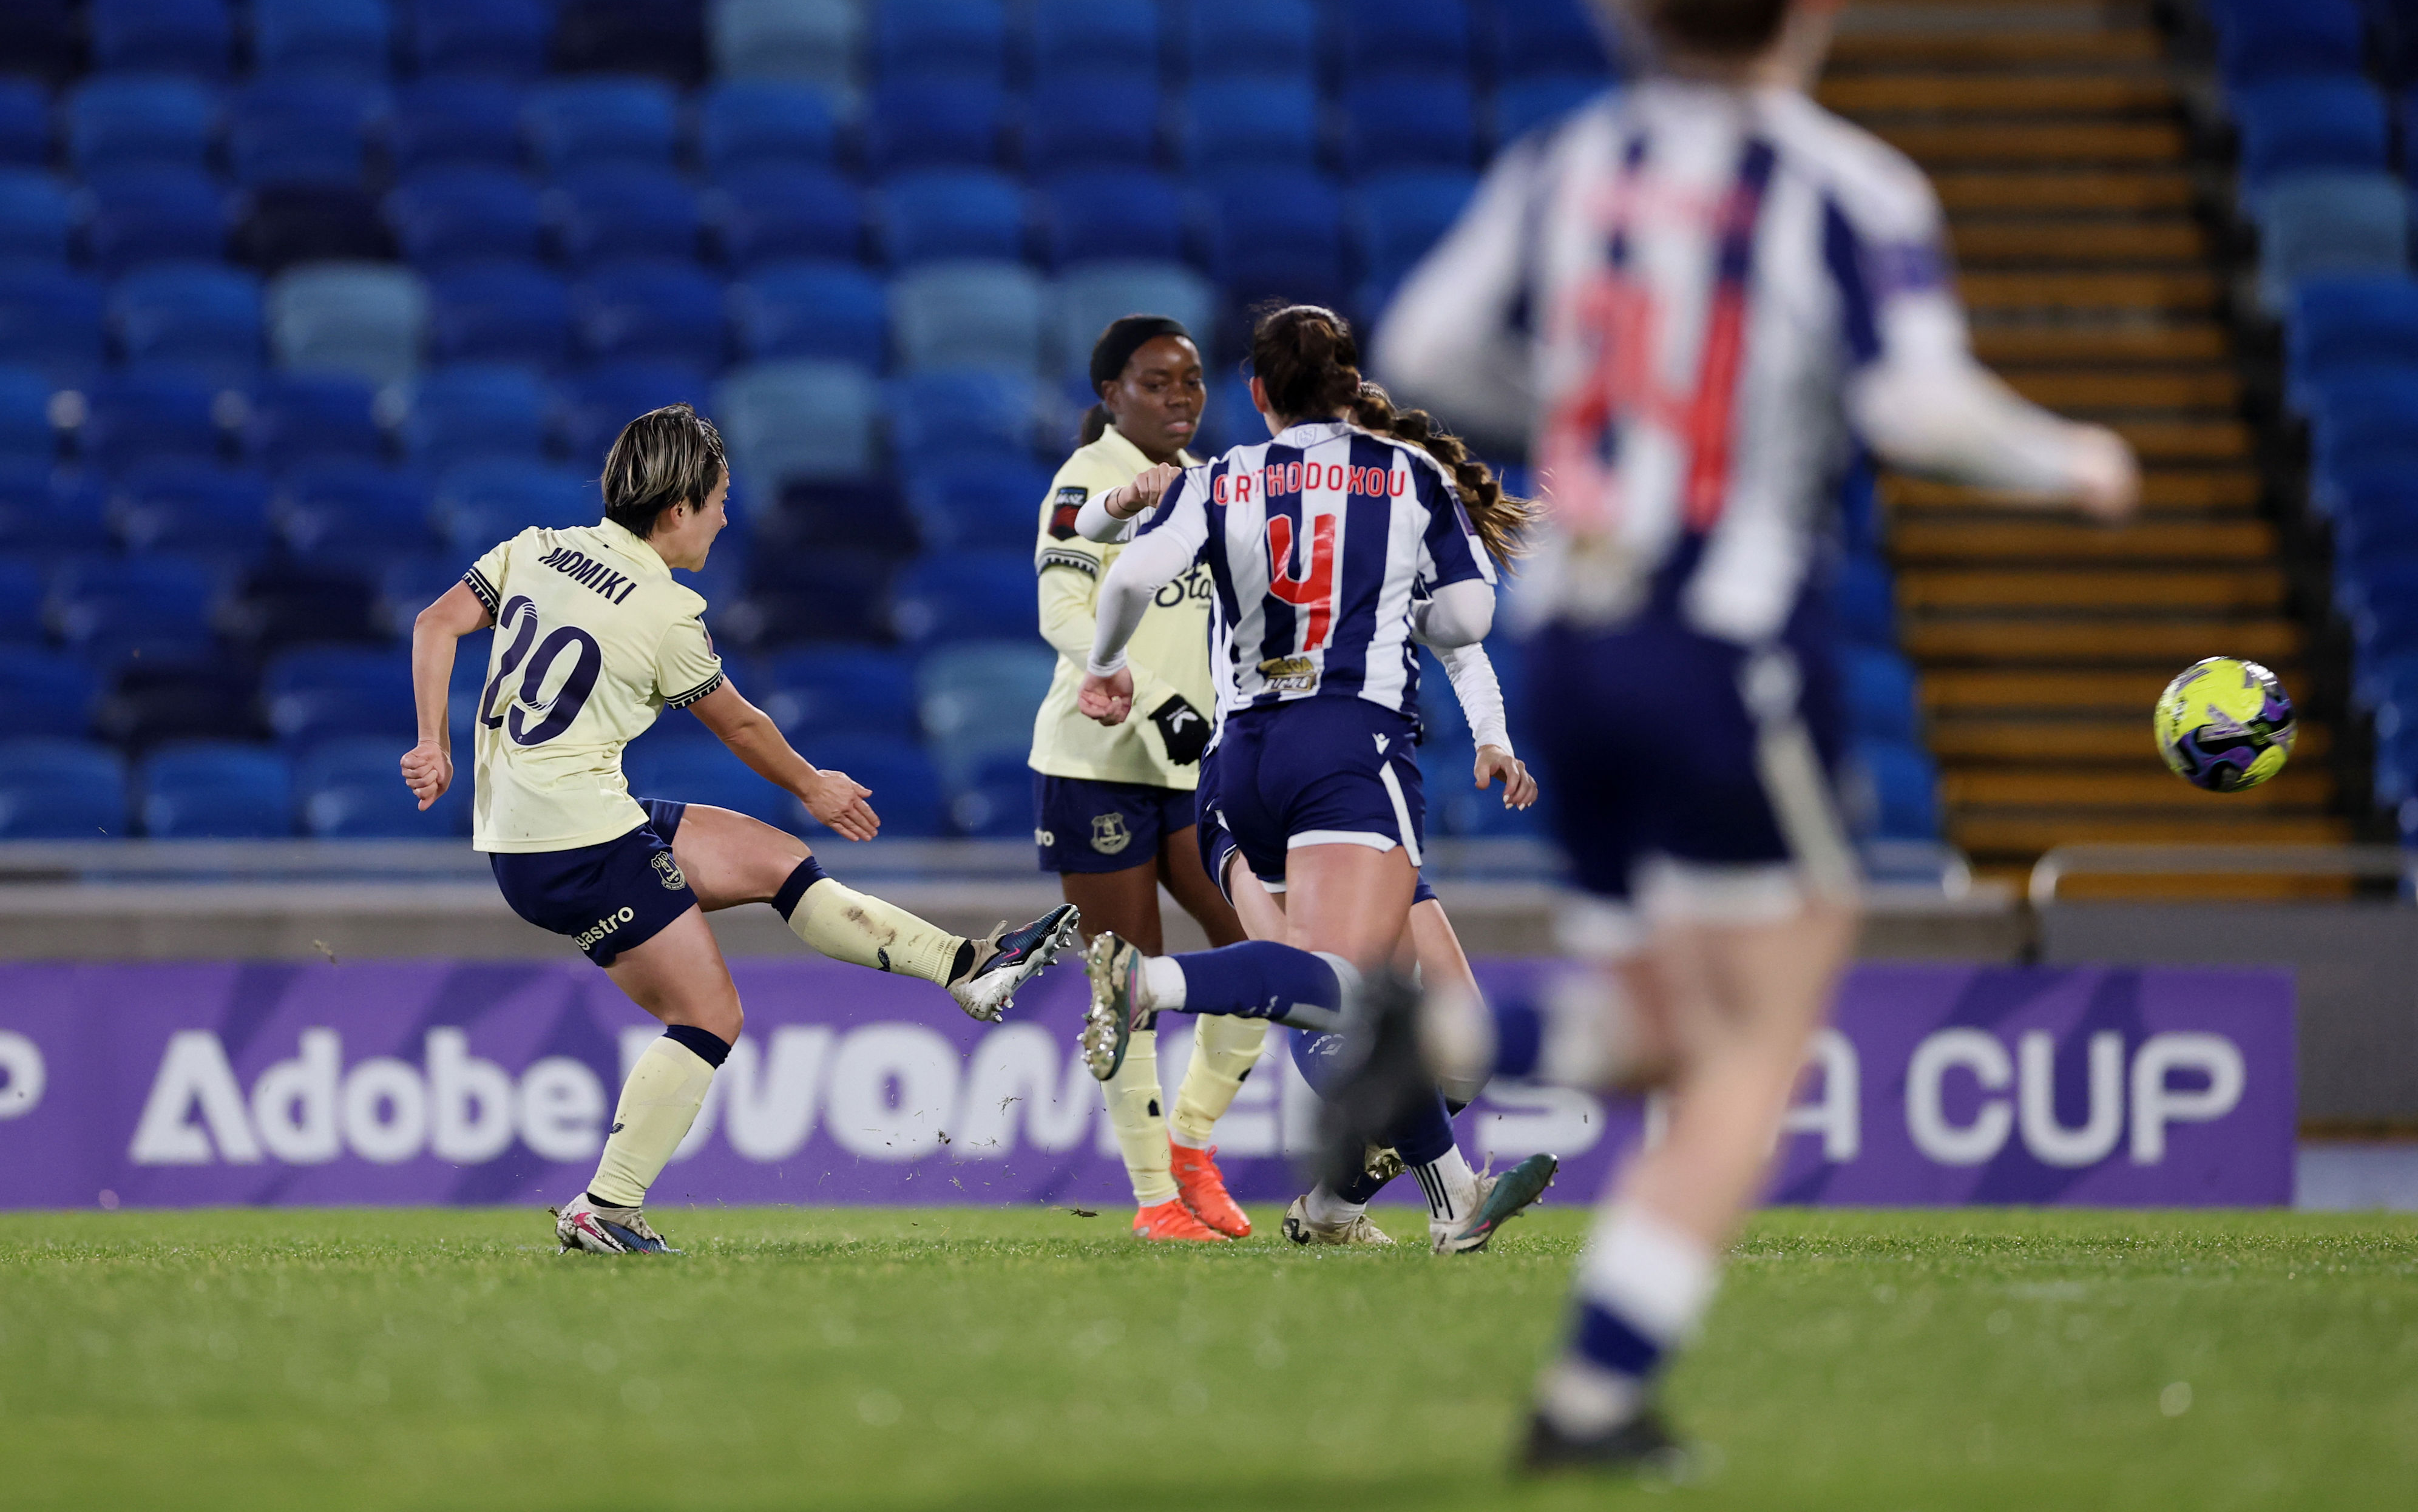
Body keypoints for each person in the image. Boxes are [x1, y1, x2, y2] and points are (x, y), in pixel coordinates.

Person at [1356, 0, 2142, 1469]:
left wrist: (1589, 412)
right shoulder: (1846, 184)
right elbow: (1914, 402)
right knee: (1753, 1036)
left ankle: (1438, 1044)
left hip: (1570, 623)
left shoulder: (1565, 164)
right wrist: (2067, 454)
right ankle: (1590, 1394)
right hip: (1722, 645)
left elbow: (1426, 347)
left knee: (1662, 1016)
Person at [401, 404, 1075, 1256]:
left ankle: (966, 968)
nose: (725, 516)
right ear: (676, 508)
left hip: (549, 824)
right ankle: (606, 1207)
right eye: (718, 499)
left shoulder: (535, 546)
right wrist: (816, 783)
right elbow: (744, 726)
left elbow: (435, 622)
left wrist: (433, 741)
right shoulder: (662, 607)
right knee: (710, 1015)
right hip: (573, 842)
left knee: (777, 861)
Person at [1071, 304, 1559, 1256]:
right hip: (1348, 754)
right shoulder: (1405, 477)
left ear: (1257, 393)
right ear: (1351, 385)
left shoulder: (1223, 477)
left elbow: (1126, 576)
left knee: (1430, 1028)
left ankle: (1335, 1205)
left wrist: (1103, 666)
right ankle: (1153, 980)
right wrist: (1402, 605)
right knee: (1346, 991)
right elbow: (1467, 620)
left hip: (1242, 764)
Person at [1030, 314, 1268, 1244]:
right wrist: (1145, 691)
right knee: (1120, 974)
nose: (1180, 396)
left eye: (1193, 380)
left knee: (1254, 944)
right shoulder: (1087, 485)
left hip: (1196, 762)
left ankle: (1192, 1141)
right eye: (1157, 381)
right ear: (1110, 395)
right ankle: (1155, 1199)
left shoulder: (1212, 487)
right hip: (1098, 762)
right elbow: (1061, 607)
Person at [1198, 629, 1539, 1248]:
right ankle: (1454, 1202)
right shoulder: (1267, 541)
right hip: (1262, 777)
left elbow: (1460, 636)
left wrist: (1492, 736)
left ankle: (1329, 1208)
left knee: (1463, 1050)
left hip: (1359, 784)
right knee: (1327, 990)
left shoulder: (1393, 541)